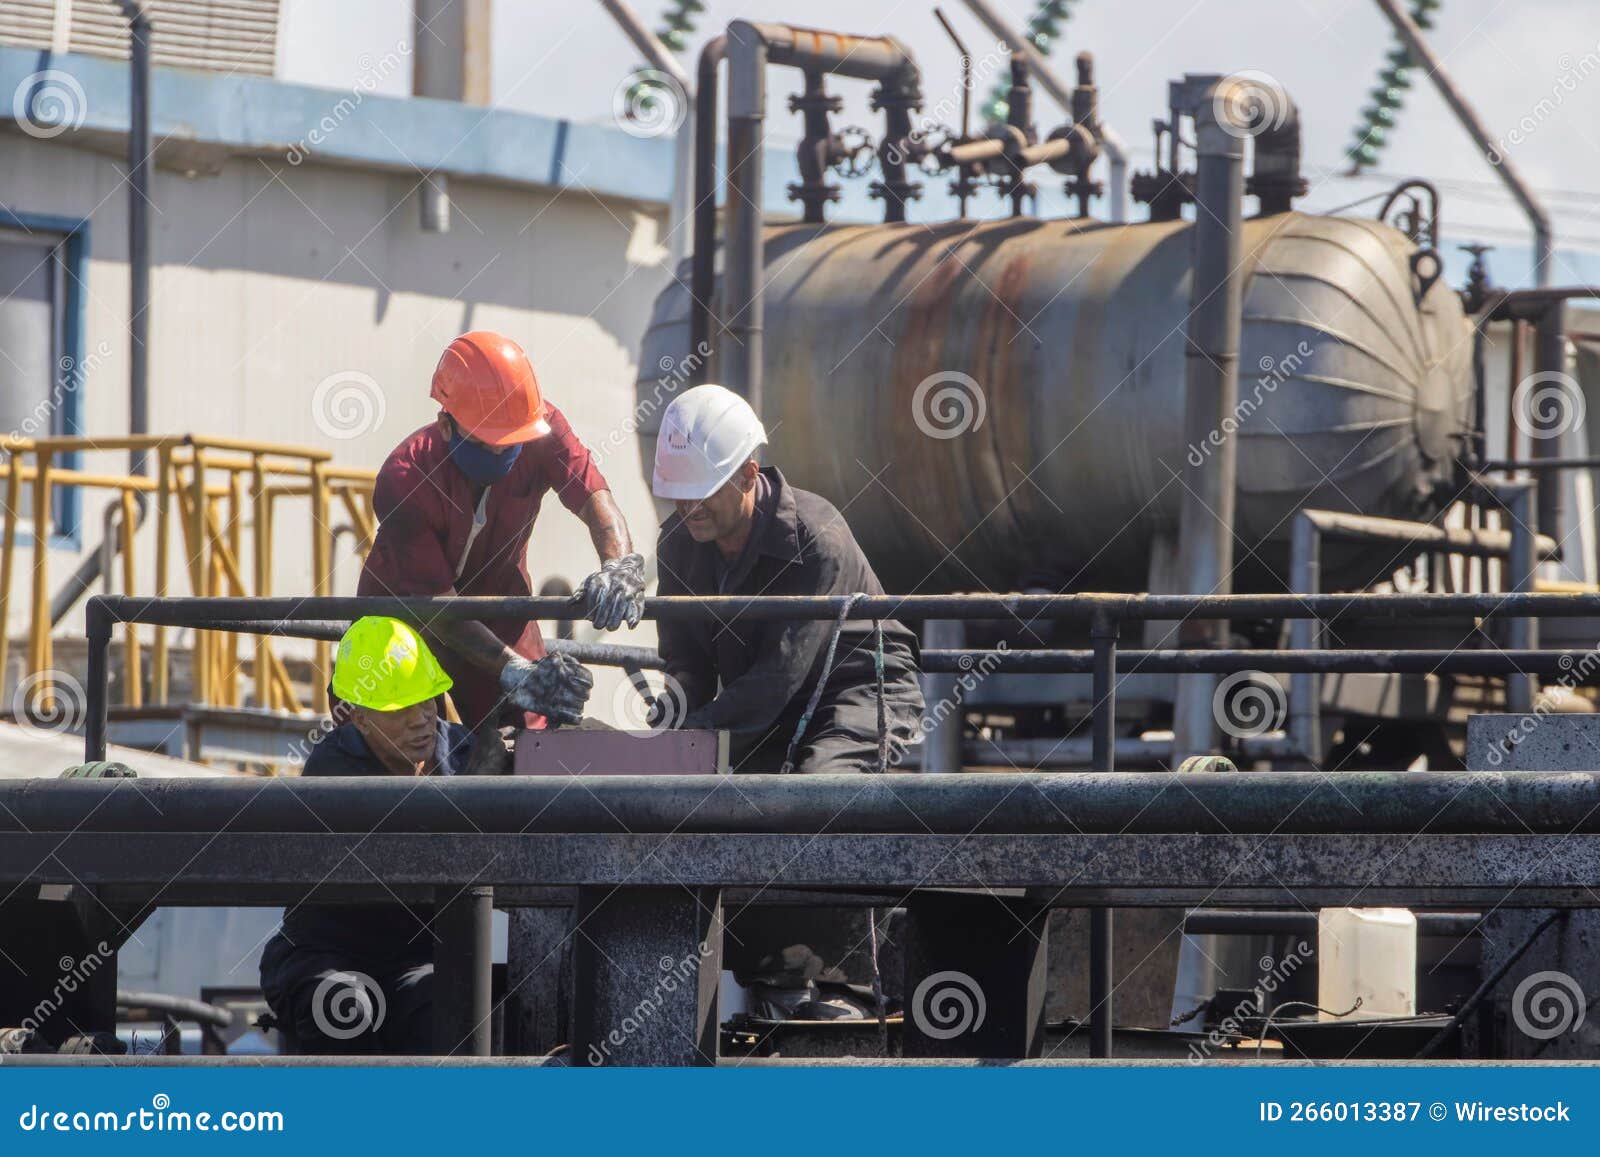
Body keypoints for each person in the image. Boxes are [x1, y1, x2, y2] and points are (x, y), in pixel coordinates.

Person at [358, 330, 646, 733]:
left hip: (499, 606)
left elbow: (594, 496)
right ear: (445, 423)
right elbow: (440, 610)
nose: (499, 454)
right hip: (405, 617)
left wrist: (619, 565)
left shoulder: (542, 431)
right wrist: (515, 671)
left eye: (510, 444)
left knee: (531, 739)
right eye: (486, 443)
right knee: (402, 746)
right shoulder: (404, 479)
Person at [259, 617, 504, 1055]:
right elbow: (417, 834)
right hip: (325, 953)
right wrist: (479, 786)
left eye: (428, 700)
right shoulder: (333, 766)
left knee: (451, 1009)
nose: (421, 720)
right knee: (343, 1009)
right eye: (399, 708)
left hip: (416, 958)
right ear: (356, 719)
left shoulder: (460, 749)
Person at [652, 383, 923, 773]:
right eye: (678, 493)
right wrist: (674, 720)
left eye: (702, 492)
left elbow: (780, 673)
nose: (689, 508)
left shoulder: (815, 539)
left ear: (747, 476)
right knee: (692, 792)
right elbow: (686, 657)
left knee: (818, 788)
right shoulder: (678, 544)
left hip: (856, 691)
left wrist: (696, 734)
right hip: (764, 701)